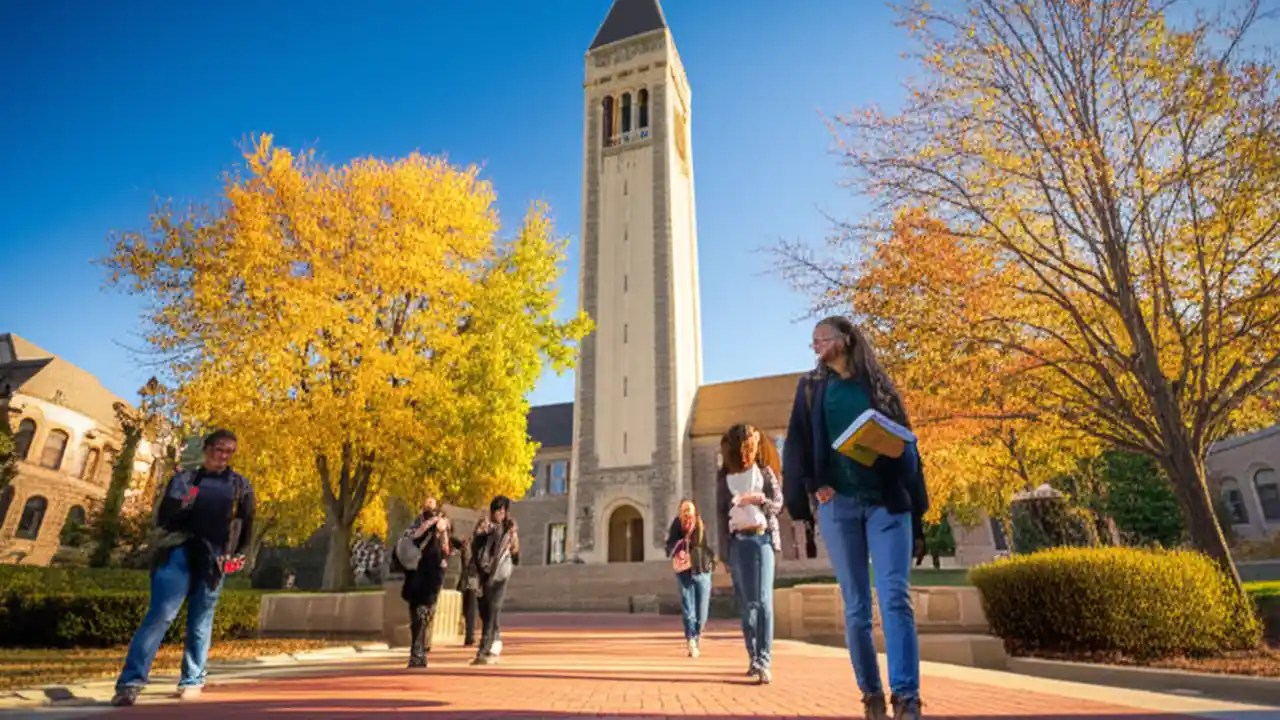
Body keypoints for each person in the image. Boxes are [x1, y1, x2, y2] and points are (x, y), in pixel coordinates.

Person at [782, 315, 929, 720]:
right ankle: (871, 694)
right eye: (812, 340)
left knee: (896, 598)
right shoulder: (811, 388)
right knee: (856, 607)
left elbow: (908, 445)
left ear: (845, 339)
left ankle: (907, 696)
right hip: (840, 505)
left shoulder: (878, 386)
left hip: (886, 501)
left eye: (822, 338)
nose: (815, 345)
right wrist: (811, 487)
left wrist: (917, 513)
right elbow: (797, 442)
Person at [112, 429, 255, 707]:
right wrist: (187, 507)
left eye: (229, 451)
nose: (223, 455)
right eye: (219, 449)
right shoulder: (186, 479)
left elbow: (247, 521)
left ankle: (192, 678)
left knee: (201, 620)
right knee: (161, 614)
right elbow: (166, 517)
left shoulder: (240, 485)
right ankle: (131, 682)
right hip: (179, 551)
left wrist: (240, 553)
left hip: (215, 558)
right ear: (207, 449)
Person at [715, 423, 783, 685]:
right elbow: (721, 518)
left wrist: (760, 500)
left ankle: (765, 660)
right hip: (738, 544)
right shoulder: (724, 481)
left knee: (764, 600)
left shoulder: (764, 474)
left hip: (762, 539)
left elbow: (778, 504)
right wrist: (724, 555)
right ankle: (753, 656)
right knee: (747, 605)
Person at [398, 497, 451, 668]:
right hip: (415, 572)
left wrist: (442, 531)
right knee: (417, 613)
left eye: (433, 508)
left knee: (424, 613)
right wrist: (430, 523)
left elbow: (446, 549)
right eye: (427, 507)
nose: (430, 510)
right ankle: (417, 651)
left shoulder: (442, 526)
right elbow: (414, 536)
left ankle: (419, 650)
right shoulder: (417, 524)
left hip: (431, 574)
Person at [470, 495, 519, 665]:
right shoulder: (483, 527)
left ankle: (484, 648)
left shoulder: (509, 529)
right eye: (498, 510)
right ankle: (495, 640)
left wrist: (514, 539)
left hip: (500, 574)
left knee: (493, 608)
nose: (500, 513)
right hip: (483, 573)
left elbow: (515, 554)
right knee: (485, 610)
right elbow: (474, 546)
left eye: (503, 510)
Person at [665, 499, 715, 658]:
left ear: (695, 512)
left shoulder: (699, 525)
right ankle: (691, 639)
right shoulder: (676, 525)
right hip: (684, 571)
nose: (687, 513)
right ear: (680, 512)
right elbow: (670, 544)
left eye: (690, 510)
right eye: (684, 510)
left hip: (701, 569)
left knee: (702, 612)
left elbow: (703, 546)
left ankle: (697, 634)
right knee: (688, 608)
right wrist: (678, 549)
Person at [451, 534, 479, 647]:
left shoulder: (479, 545)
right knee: (466, 608)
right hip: (465, 577)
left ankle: (470, 635)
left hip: (473, 577)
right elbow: (452, 540)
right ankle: (468, 634)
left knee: (471, 607)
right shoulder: (465, 545)